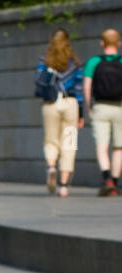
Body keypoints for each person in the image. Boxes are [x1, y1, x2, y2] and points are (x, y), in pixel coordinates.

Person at [36, 28, 85, 197]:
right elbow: (79, 90)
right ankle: (63, 185)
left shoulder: (44, 61)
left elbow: (39, 81)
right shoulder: (75, 63)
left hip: (50, 103)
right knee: (69, 143)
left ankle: (51, 166)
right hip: (70, 103)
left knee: (51, 140)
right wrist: (81, 113)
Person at [83, 27, 122, 196]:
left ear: (102, 43)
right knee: (119, 147)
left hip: (100, 107)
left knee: (102, 146)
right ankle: (115, 180)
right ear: (119, 43)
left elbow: (86, 86)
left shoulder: (93, 62)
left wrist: (88, 106)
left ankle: (106, 178)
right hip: (120, 107)